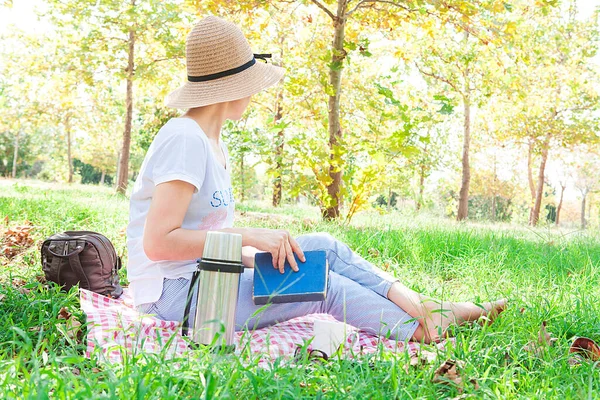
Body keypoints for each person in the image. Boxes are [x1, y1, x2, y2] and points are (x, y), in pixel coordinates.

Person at [126, 16, 505, 344]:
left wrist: (259, 257)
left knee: (323, 248)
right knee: (319, 285)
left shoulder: (212, 141)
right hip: (174, 298)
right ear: (234, 85)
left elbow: (210, 246)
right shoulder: (184, 137)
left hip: (210, 274)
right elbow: (160, 244)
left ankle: (425, 306)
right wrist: (253, 237)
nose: (257, 94)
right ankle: (419, 330)